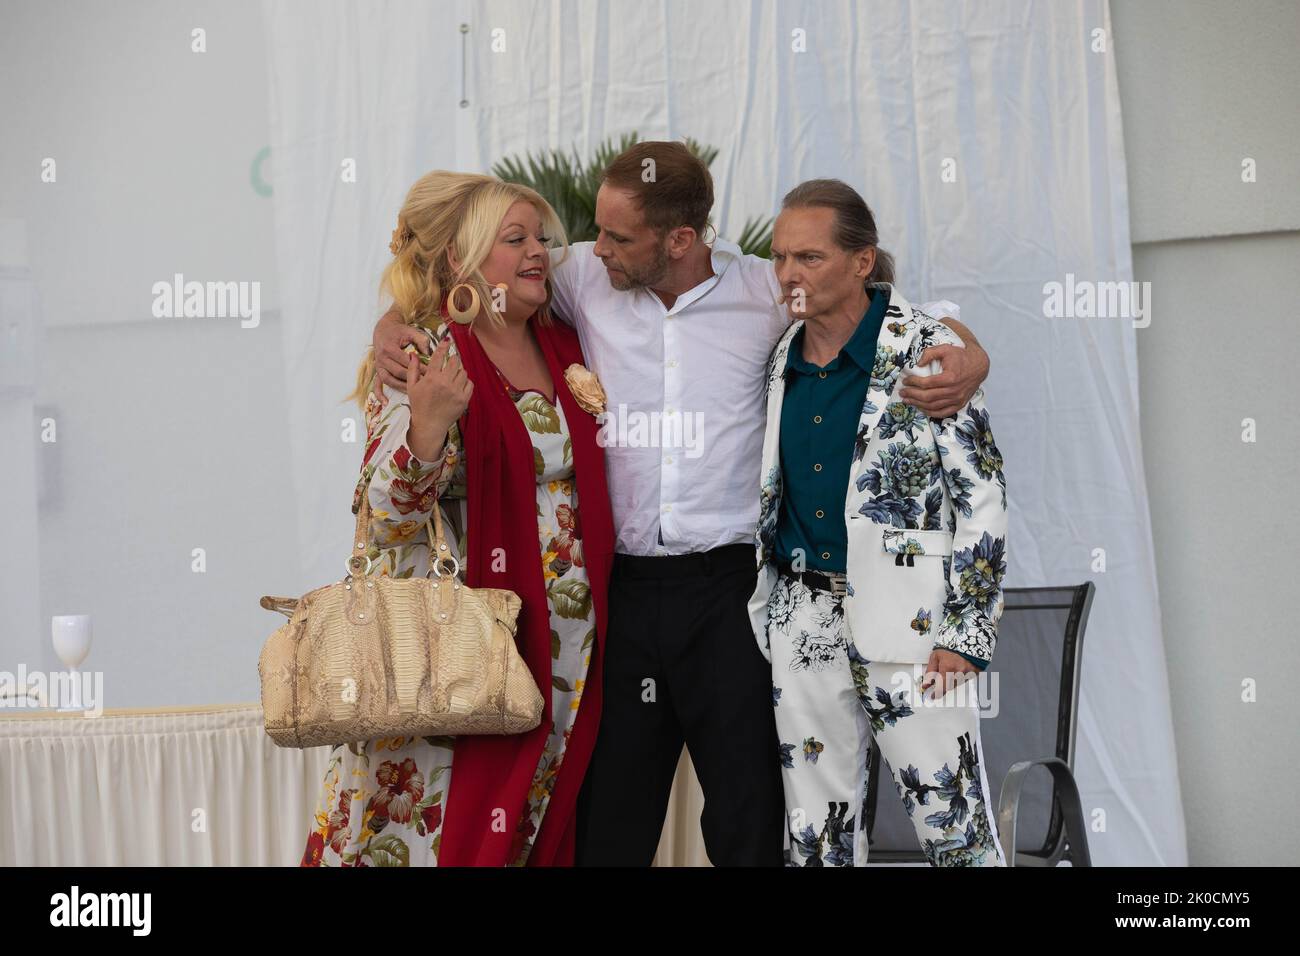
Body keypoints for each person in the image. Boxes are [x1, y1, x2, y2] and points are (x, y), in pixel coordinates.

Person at [370, 142, 990, 866]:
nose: (588, 248)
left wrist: (967, 351)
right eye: (592, 232)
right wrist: (391, 323)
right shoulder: (580, 276)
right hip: (623, 597)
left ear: (682, 240)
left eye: (616, 237)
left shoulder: (765, 289)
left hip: (730, 595)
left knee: (746, 813)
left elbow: (883, 307)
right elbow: (471, 270)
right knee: (611, 816)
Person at [301, 170, 615, 867]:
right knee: (428, 837)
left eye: (540, 236)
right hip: (454, 661)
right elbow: (386, 510)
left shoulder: (566, 342)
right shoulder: (428, 353)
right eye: (515, 239)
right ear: (459, 261)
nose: (539, 250)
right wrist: (430, 428)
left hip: (559, 661)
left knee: (525, 837)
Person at [750, 179, 1009, 866]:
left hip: (915, 629)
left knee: (953, 828)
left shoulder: (929, 348)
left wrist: (968, 632)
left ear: (862, 261)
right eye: (779, 258)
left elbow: (982, 497)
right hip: (801, 621)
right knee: (816, 837)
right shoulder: (783, 356)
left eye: (807, 257)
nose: (788, 275)